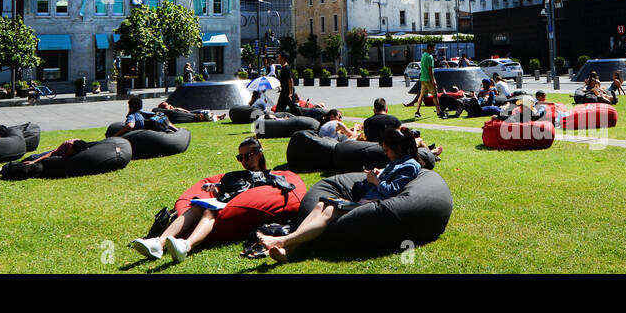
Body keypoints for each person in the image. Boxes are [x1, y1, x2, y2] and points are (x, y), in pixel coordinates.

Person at [255, 128, 424, 264]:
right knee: (321, 205)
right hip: (364, 200)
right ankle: (287, 251)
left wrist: (376, 181)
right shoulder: (397, 161)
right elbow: (390, 179)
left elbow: (393, 190)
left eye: (387, 150)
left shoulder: (409, 165)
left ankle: (281, 241)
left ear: (398, 148)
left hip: (372, 205)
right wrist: (380, 174)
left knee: (329, 212)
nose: (386, 154)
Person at [130, 138, 294, 264]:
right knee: (195, 206)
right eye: (240, 157)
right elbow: (227, 191)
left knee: (209, 210)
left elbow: (286, 187)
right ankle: (159, 243)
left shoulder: (268, 176)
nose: (243, 160)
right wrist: (215, 189)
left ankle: (186, 246)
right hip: (224, 204)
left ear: (259, 155)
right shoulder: (235, 175)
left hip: (239, 208)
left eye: (247, 156)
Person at [413, 43, 444, 119]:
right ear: (429, 48)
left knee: (421, 96)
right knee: (435, 95)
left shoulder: (423, 55)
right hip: (428, 79)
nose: (434, 49)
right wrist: (433, 80)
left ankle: (417, 112)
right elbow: (430, 70)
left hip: (423, 79)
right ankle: (439, 112)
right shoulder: (430, 57)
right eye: (433, 48)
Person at [157, 100, 227, 122]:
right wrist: (188, 112)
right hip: (189, 113)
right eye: (168, 105)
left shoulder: (172, 111)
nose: (170, 105)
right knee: (202, 112)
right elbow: (185, 111)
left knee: (202, 111)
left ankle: (218, 116)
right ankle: (218, 117)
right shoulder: (175, 110)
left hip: (188, 113)